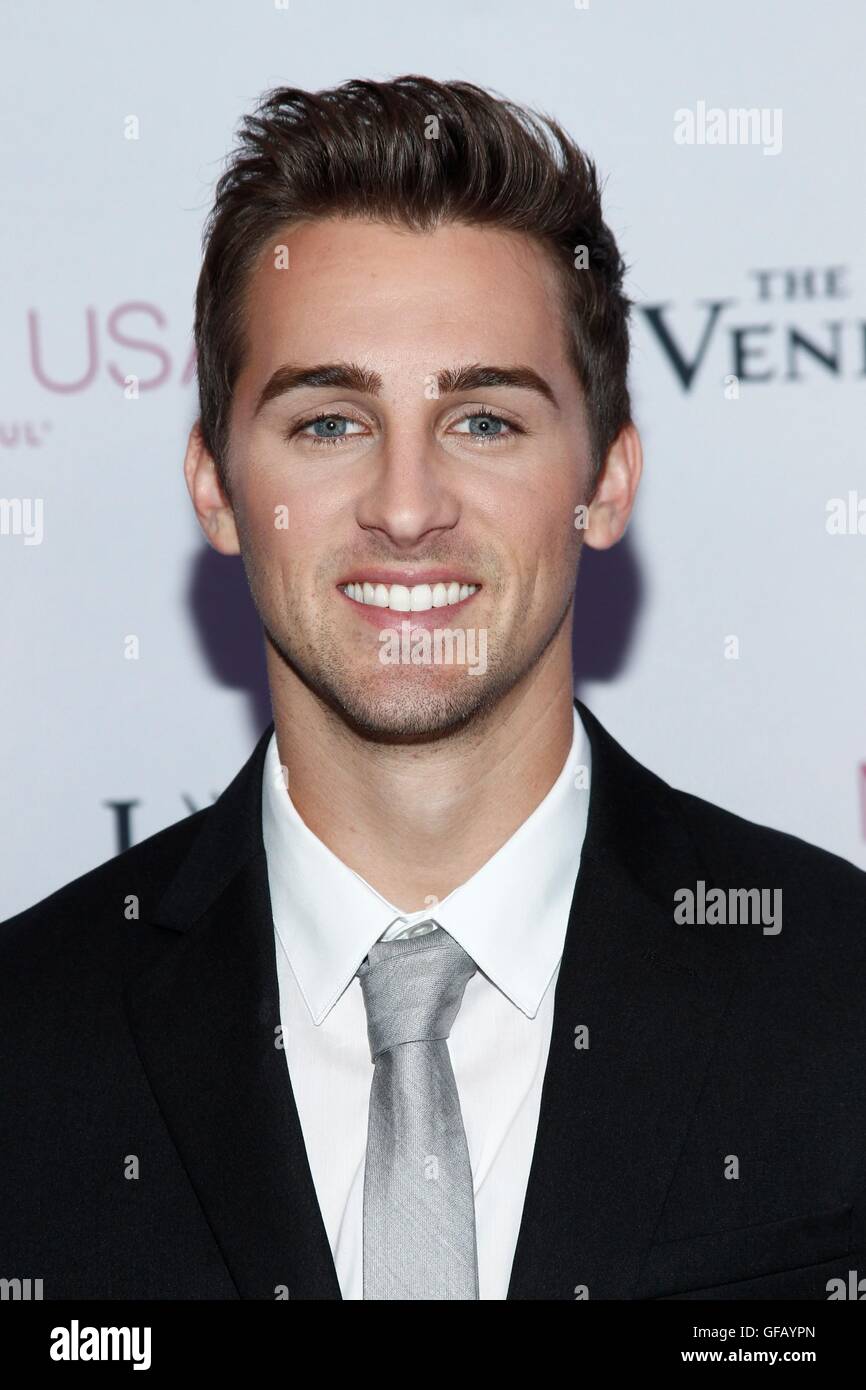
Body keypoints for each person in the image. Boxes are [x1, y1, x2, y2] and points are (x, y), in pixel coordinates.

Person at [2, 75, 864, 1302]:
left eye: (484, 421)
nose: (406, 508)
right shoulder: (27, 1045)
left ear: (607, 482)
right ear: (213, 486)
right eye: (328, 422)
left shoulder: (834, 995)